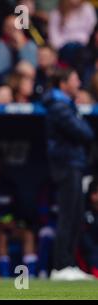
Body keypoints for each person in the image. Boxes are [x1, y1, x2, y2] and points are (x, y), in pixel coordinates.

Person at [43, 68, 95, 281]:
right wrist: (82, 122)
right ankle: (61, 266)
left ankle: (69, 264)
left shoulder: (67, 104)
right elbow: (84, 132)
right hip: (66, 164)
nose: (79, 83)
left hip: (74, 164)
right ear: (63, 83)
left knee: (75, 215)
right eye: (75, 79)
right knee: (67, 216)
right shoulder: (58, 105)